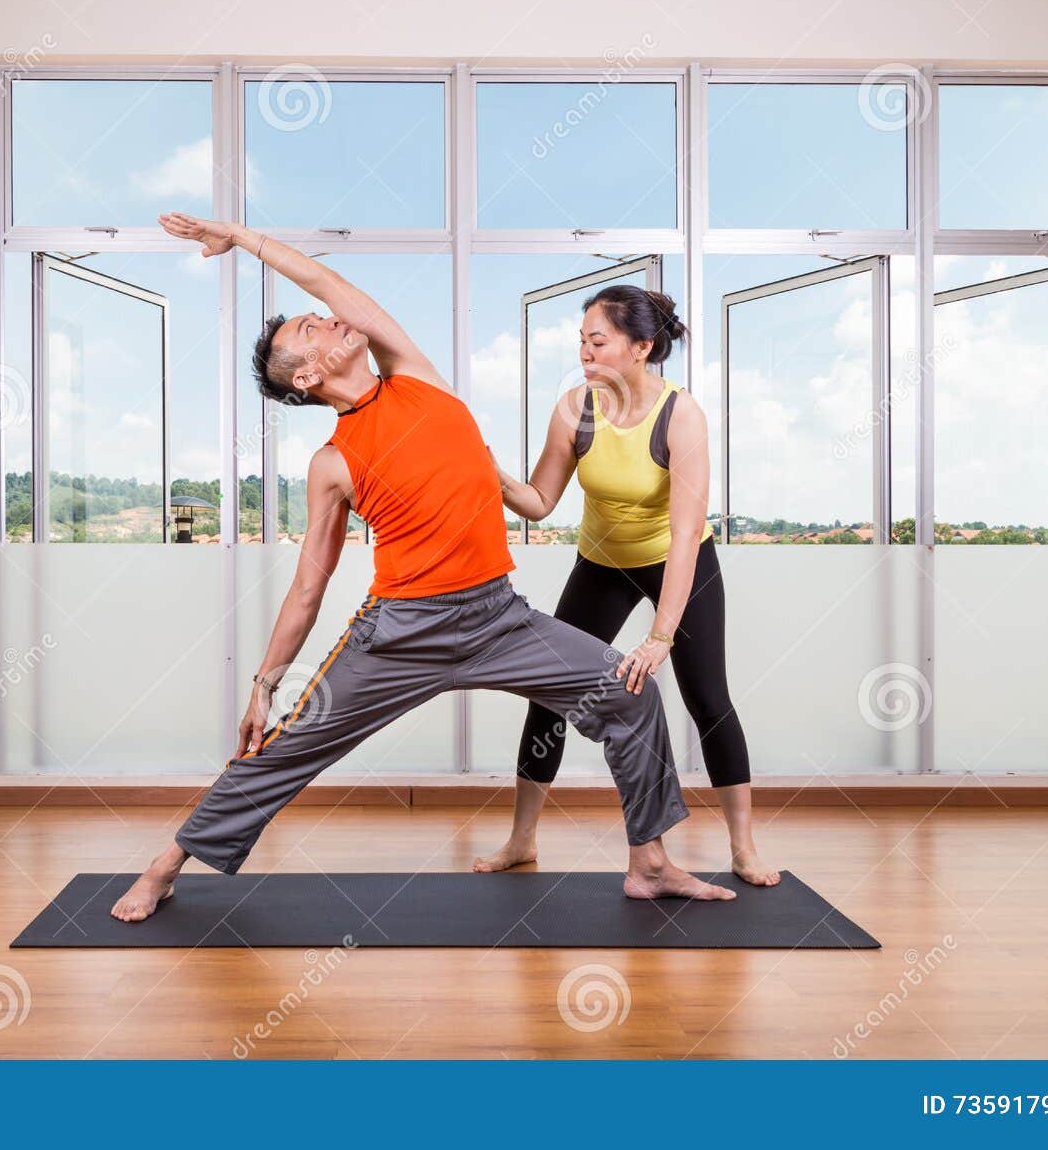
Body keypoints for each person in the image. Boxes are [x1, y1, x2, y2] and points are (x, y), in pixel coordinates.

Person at [111, 216, 736, 922]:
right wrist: (263, 684)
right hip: (400, 630)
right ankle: (166, 864)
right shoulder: (332, 463)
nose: (328, 319)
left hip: (499, 615)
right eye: (310, 331)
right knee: (286, 749)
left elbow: (333, 285)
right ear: (309, 376)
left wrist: (245, 239)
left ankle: (650, 864)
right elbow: (308, 587)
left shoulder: (413, 376)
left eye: (321, 317)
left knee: (628, 695)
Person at [475, 284, 780, 887]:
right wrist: (488, 471)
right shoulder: (574, 408)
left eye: (598, 341)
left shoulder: (680, 414)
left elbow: (687, 533)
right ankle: (522, 838)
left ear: (642, 347)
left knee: (707, 699)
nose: (585, 354)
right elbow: (538, 502)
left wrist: (660, 637)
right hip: (601, 562)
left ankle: (743, 848)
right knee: (551, 693)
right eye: (581, 343)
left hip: (675, 558)